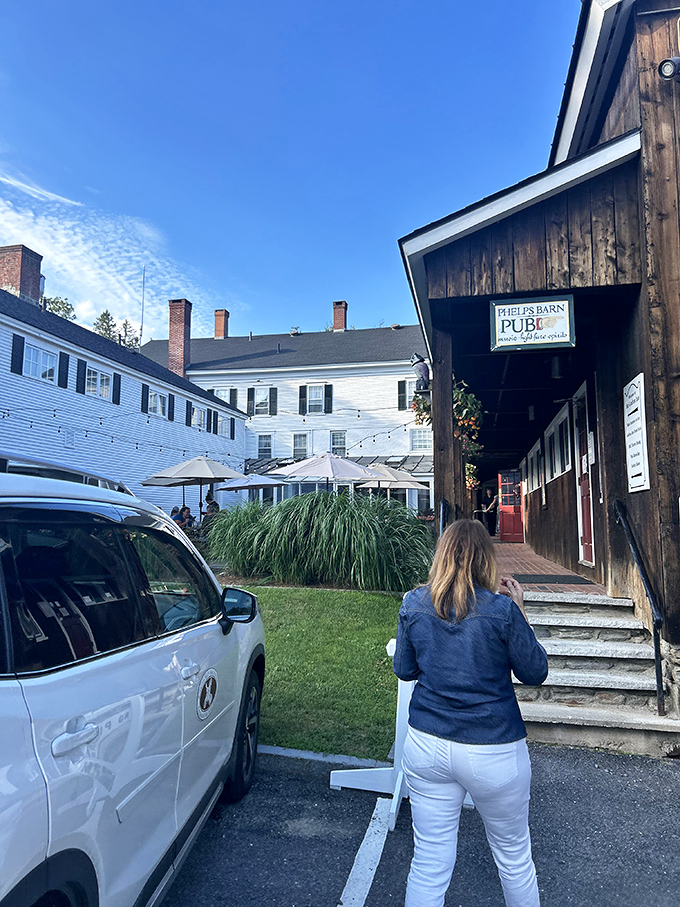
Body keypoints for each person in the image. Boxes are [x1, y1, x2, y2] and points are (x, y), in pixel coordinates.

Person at [394, 519, 548, 907]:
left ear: (442, 555)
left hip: (427, 743)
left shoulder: (414, 603)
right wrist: (520, 612)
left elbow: (404, 669)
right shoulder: (502, 611)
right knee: (514, 859)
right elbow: (535, 672)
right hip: (492, 747)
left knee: (429, 860)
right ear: (485, 560)